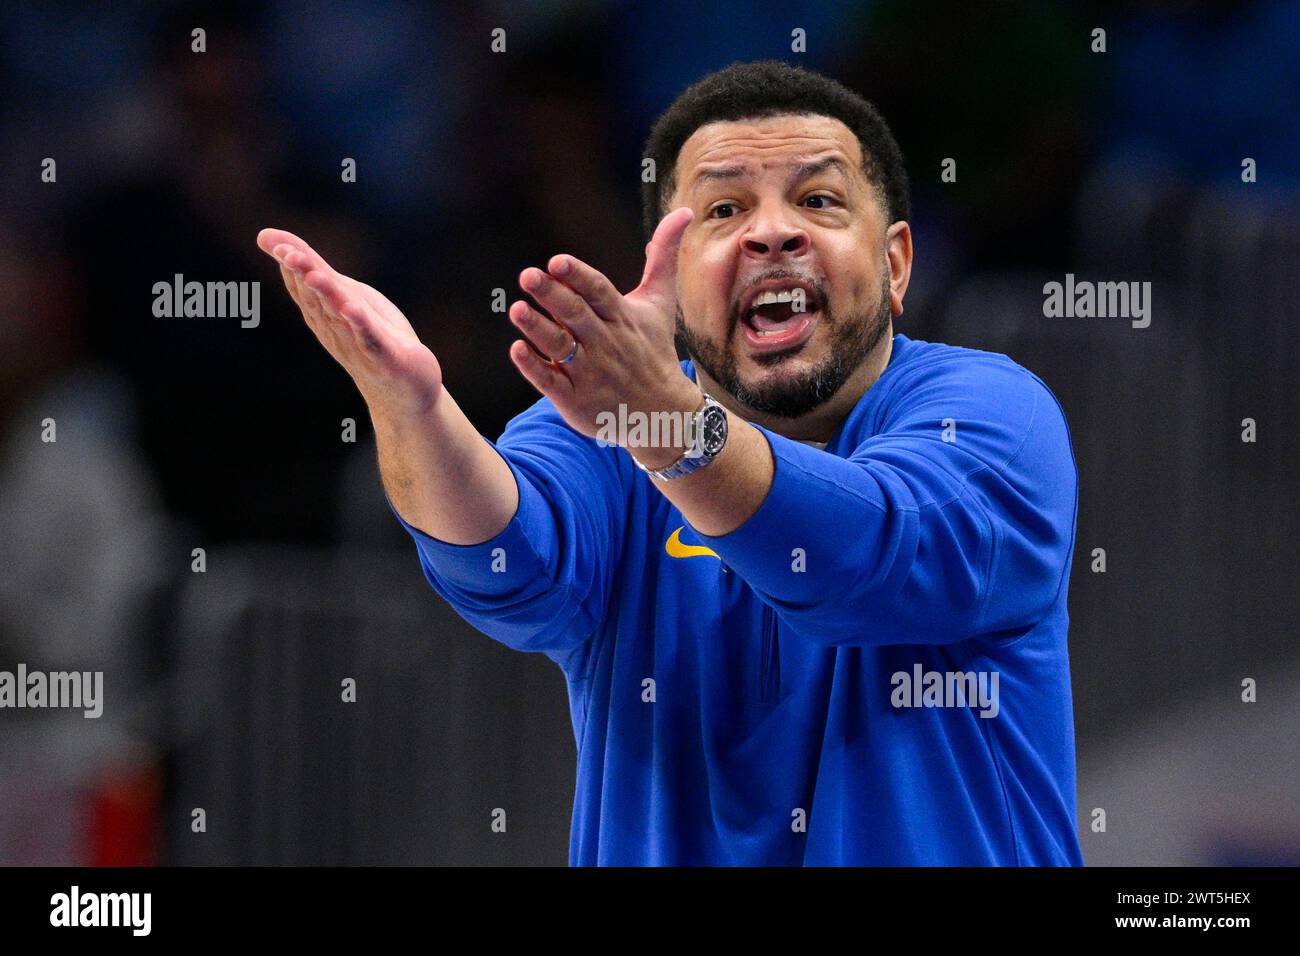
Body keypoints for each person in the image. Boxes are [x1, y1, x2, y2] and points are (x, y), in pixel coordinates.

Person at [257, 60, 1083, 866]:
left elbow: (867, 550)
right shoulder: (603, 422)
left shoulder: (993, 415)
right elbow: (509, 567)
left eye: (819, 199)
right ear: (679, 280)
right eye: (724, 209)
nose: (771, 231)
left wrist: (668, 428)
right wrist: (416, 411)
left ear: (897, 263)